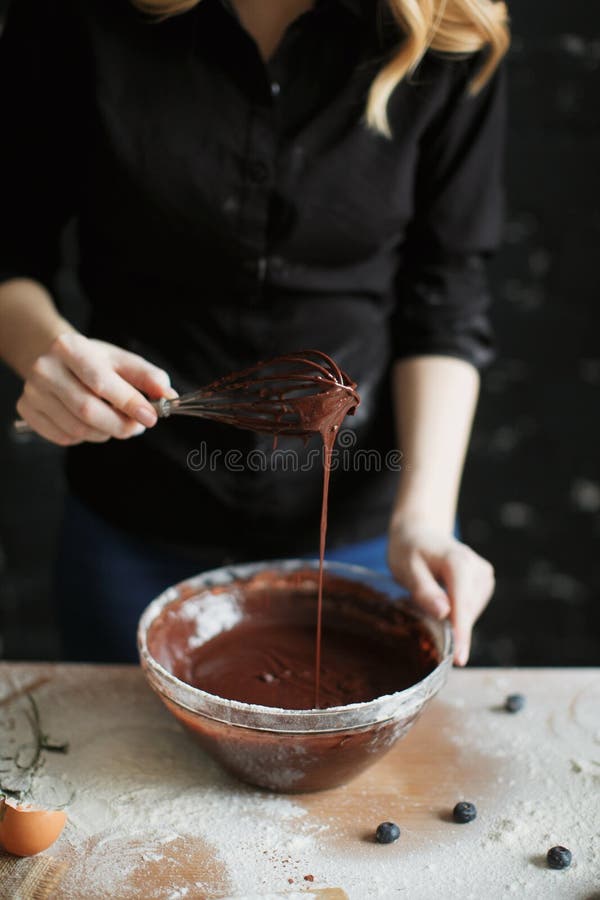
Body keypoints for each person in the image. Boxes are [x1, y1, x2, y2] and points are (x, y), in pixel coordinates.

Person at [0, 0, 508, 666]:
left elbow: (446, 299)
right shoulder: (83, 15)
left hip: (370, 533)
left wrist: (423, 520)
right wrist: (47, 354)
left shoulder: (450, 24)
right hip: (134, 526)